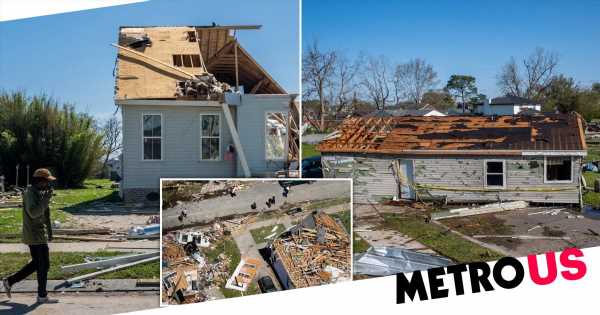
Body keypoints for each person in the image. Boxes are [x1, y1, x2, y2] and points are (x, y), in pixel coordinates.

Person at [2, 168, 58, 303]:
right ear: (40, 181)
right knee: (42, 265)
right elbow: (34, 213)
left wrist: (49, 231)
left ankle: (10, 281)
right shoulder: (30, 193)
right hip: (33, 234)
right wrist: (46, 199)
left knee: (41, 264)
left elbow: (45, 214)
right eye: (47, 181)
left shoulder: (40, 193)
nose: (49, 185)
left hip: (40, 234)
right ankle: (42, 296)